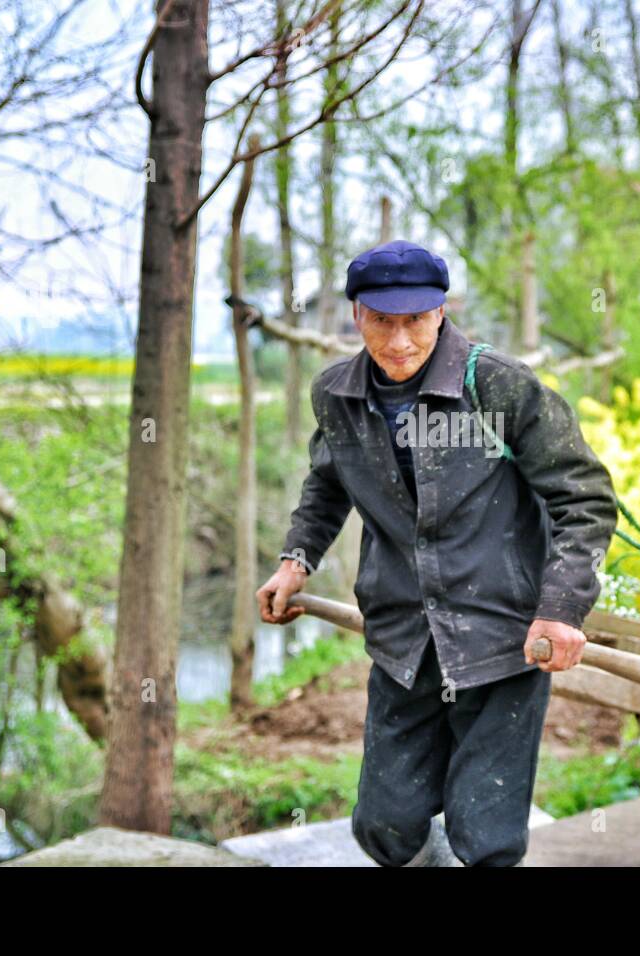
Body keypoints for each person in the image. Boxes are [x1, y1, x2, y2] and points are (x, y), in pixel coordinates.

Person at [256, 239, 617, 866]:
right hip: (402, 636)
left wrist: (562, 607)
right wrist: (296, 561)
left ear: (441, 312)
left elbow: (583, 499)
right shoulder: (337, 395)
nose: (399, 342)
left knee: (486, 837)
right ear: (355, 316)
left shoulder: (499, 387)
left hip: (502, 635)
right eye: (383, 322)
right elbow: (326, 484)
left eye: (416, 321)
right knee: (385, 825)